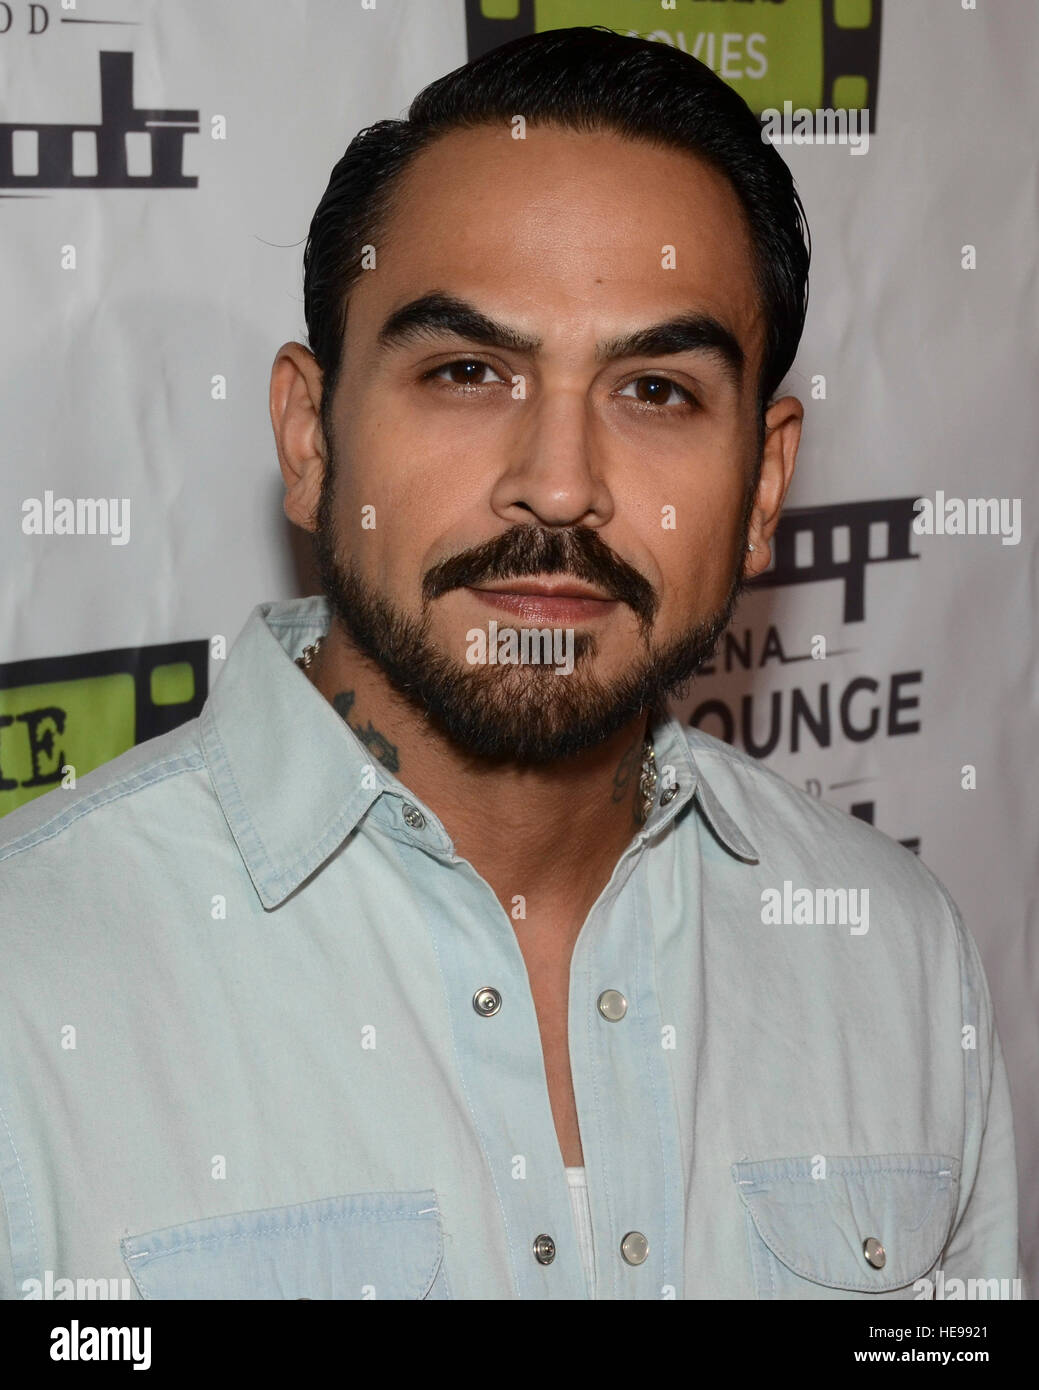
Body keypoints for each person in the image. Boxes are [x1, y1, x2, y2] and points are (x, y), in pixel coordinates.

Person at [0, 26, 1022, 1301]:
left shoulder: (891, 948)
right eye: (468, 370)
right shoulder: (29, 983)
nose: (558, 482)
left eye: (653, 390)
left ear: (763, 486)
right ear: (311, 439)